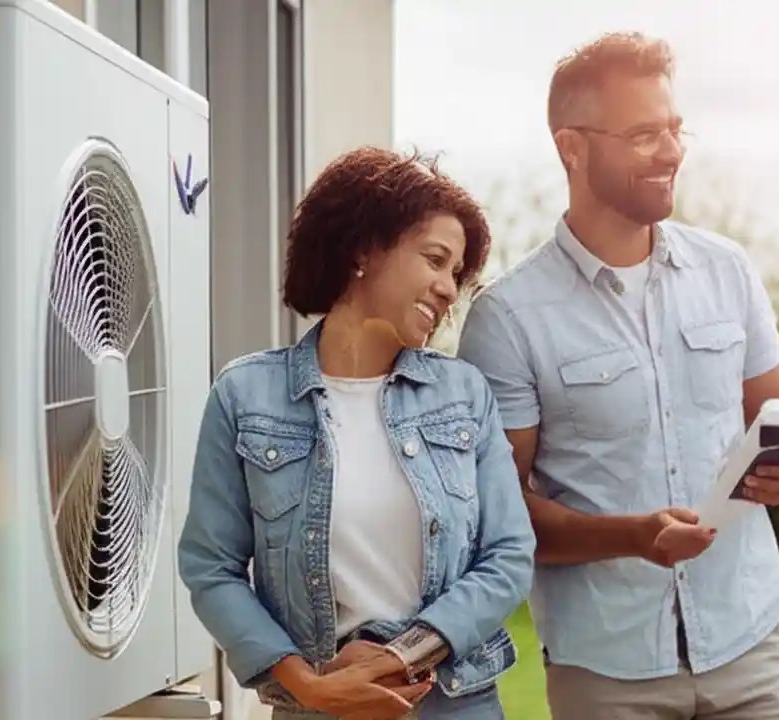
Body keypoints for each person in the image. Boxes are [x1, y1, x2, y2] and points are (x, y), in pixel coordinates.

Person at [456, 32, 779, 719]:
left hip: (751, 640)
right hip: (608, 668)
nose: (672, 151)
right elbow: (498, 510)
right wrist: (631, 536)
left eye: (676, 129)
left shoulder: (727, 271)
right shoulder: (508, 319)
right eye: (645, 134)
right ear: (572, 147)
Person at [178, 146, 536, 720]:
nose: (449, 289)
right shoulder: (244, 396)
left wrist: (402, 657)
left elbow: (509, 555)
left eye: (456, 273)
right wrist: (310, 686)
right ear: (363, 249)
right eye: (435, 260)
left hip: (453, 705)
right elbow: (211, 567)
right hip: (316, 706)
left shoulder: (464, 395)